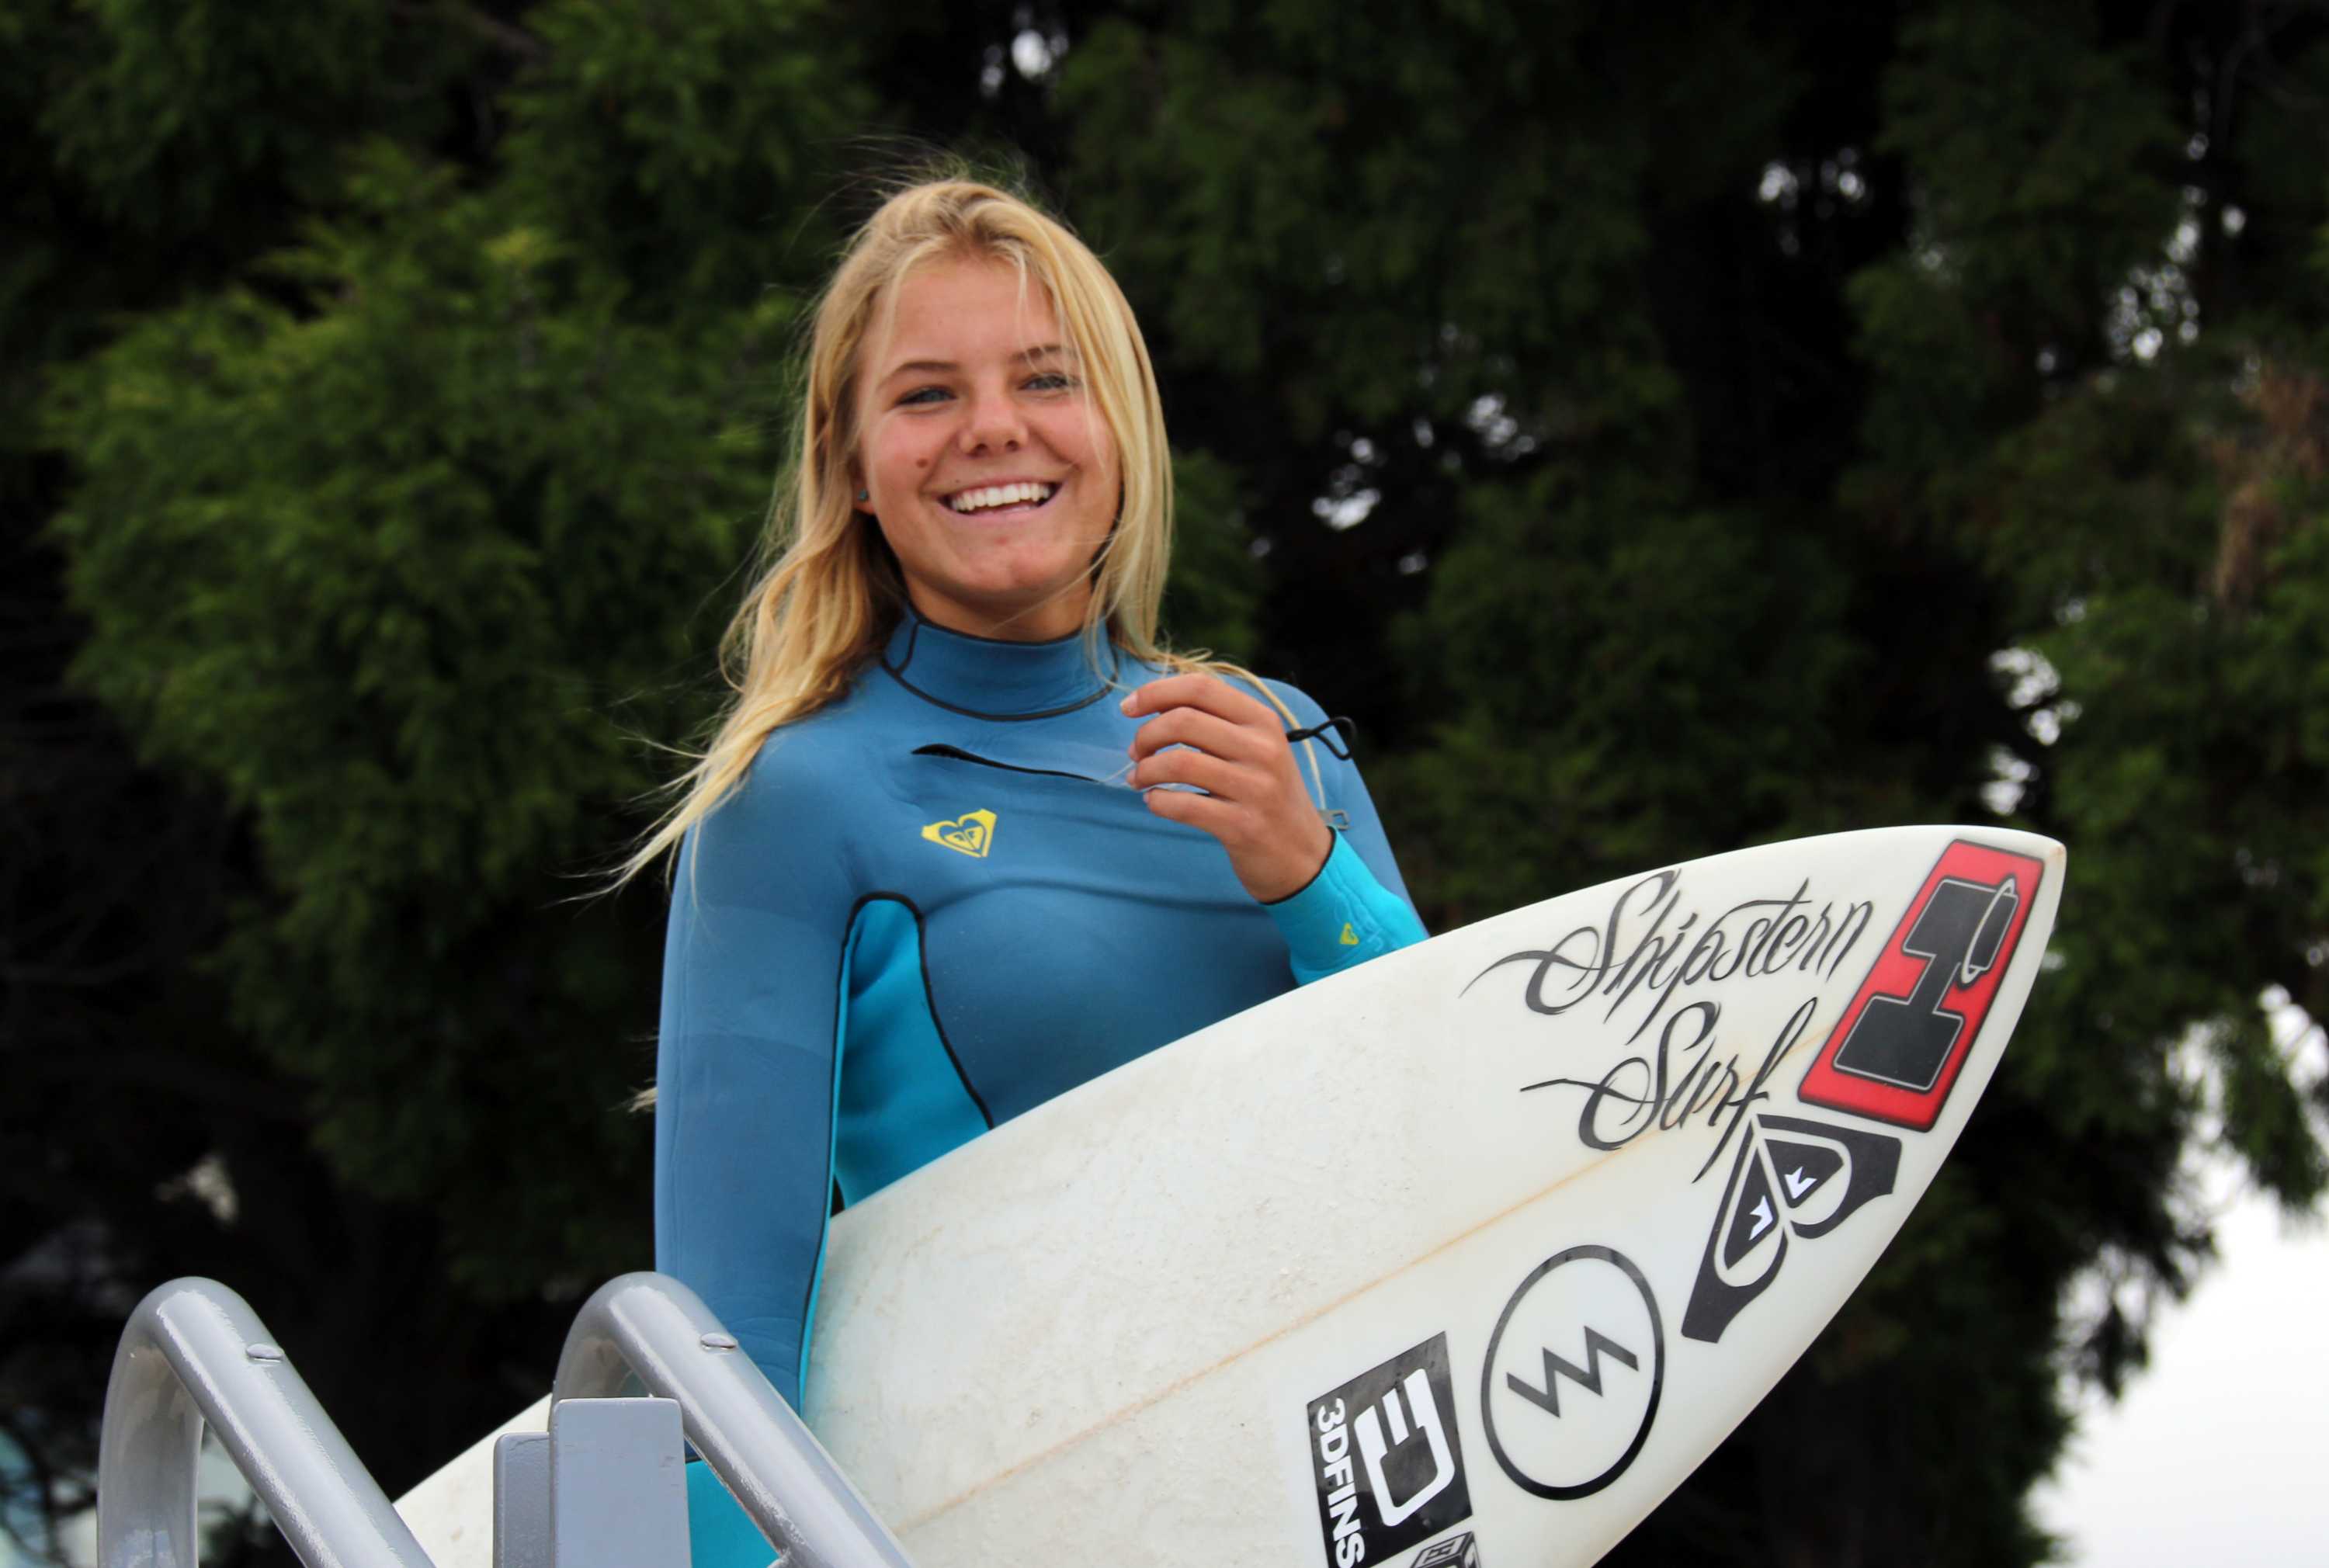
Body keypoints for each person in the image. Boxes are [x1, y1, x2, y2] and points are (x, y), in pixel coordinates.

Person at [630, 176, 1426, 1559]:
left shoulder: (1277, 740)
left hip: (1325, 1501)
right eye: (926, 394)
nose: (992, 428)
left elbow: (1445, 1133)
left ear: (1118, 425)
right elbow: (725, 1329)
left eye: (1045, 379)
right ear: (853, 463)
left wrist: (1314, 878)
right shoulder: (798, 801)